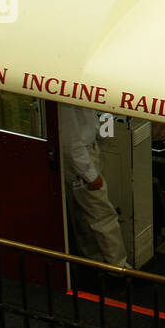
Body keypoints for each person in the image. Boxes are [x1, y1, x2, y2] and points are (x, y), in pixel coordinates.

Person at [59, 104, 130, 269]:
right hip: (82, 158)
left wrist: (106, 136)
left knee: (84, 213)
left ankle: (93, 261)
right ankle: (118, 269)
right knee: (103, 214)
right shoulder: (65, 101)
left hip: (91, 149)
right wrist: (90, 175)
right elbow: (69, 144)